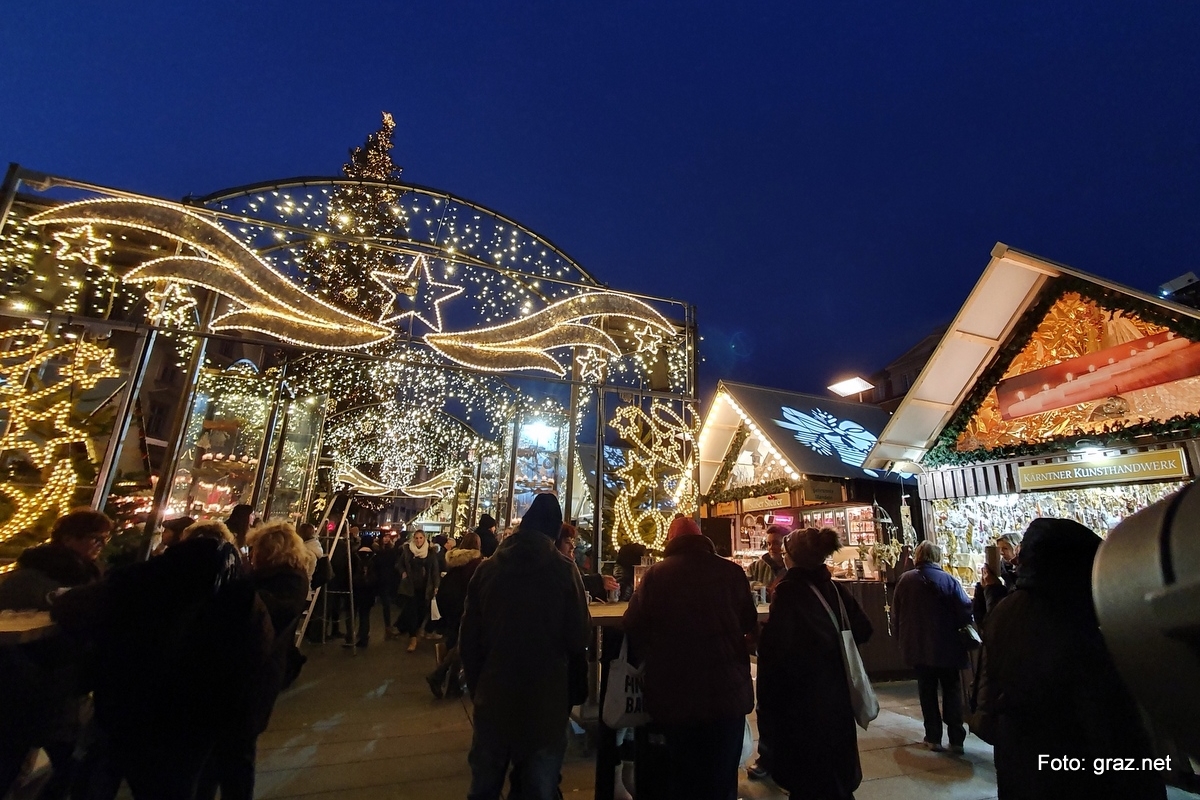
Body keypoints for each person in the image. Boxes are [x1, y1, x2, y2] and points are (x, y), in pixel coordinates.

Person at [52, 526, 272, 800]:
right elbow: (254, 659)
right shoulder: (243, 599)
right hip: (197, 716)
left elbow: (74, 608)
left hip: (128, 706)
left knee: (101, 773)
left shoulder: (141, 583)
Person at [979, 518, 1166, 799]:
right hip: (1078, 763)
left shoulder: (1007, 610)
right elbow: (1106, 716)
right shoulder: (1077, 614)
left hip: (1020, 756)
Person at [459, 493, 590, 800]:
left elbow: (469, 639)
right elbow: (578, 635)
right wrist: (573, 688)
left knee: (484, 787)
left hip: (495, 695)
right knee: (538, 786)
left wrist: (480, 685)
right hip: (545, 698)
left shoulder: (487, 570)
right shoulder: (563, 571)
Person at [623, 515, 758, 800]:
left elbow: (633, 623)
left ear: (671, 541)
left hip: (676, 694)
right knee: (722, 777)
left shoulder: (656, 575)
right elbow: (749, 622)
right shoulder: (732, 572)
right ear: (702, 540)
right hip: (726, 694)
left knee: (681, 777)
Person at [0, 509, 111, 799]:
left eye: (104, 540)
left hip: (63, 682)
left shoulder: (87, 573)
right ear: (67, 538)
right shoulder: (32, 577)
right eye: (94, 539)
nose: (99, 546)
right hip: (30, 681)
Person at [755, 527, 873, 799]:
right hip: (838, 695)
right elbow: (864, 629)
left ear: (793, 557)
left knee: (807, 780)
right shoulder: (834, 588)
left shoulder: (788, 592)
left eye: (784, 552)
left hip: (801, 701)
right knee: (836, 777)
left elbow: (776, 652)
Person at [197, 521, 311, 800]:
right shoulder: (271, 578)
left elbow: (264, 614)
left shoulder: (287, 581)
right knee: (222, 753)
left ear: (270, 550)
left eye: (255, 548)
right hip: (248, 674)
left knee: (237, 753)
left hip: (254, 677)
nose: (251, 554)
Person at [893, 540, 973, 754]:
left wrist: (902, 640)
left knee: (927, 692)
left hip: (918, 647)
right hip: (948, 646)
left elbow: (896, 614)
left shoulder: (905, 580)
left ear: (918, 556)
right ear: (937, 557)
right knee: (951, 690)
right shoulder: (949, 580)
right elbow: (965, 611)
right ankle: (956, 738)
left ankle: (933, 737)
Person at [426, 531, 483, 698]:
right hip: (465, 608)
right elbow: (473, 587)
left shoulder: (454, 560)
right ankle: (439, 676)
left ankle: (451, 683)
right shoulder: (474, 563)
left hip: (451, 607)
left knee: (457, 644)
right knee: (462, 645)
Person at [397, 530, 439, 652]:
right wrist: (403, 572)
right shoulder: (408, 550)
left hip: (425, 587)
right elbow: (399, 564)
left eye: (421, 538)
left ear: (424, 539)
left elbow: (435, 570)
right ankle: (413, 638)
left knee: (421, 611)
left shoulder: (430, 552)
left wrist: (436, 585)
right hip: (410, 586)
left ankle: (417, 631)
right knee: (412, 612)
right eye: (416, 538)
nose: (418, 540)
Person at [972, 532, 1020, 628]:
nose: (1001, 552)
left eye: (1005, 548)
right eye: (999, 549)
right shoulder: (997, 570)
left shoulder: (1022, 573)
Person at [327, 526, 360, 642]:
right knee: (342, 606)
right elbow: (349, 555)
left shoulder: (329, 542)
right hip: (341, 578)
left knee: (333, 606)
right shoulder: (342, 546)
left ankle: (333, 630)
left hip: (333, 577)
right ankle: (342, 632)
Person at [373, 535, 402, 640]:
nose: (386, 539)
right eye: (384, 537)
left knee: (386, 604)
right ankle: (388, 628)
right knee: (386, 604)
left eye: (387, 537)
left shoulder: (386, 552)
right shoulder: (386, 551)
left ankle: (388, 628)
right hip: (384, 580)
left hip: (385, 580)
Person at [747, 524, 787, 598]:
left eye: (776, 543)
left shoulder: (794, 568)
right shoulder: (755, 567)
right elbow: (742, 584)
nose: (771, 547)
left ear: (786, 544)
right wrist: (756, 586)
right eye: (769, 544)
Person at [351, 543, 377, 647]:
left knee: (353, 614)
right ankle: (364, 637)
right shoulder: (374, 557)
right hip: (369, 591)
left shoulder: (355, 556)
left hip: (356, 590)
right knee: (365, 615)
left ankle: (350, 636)